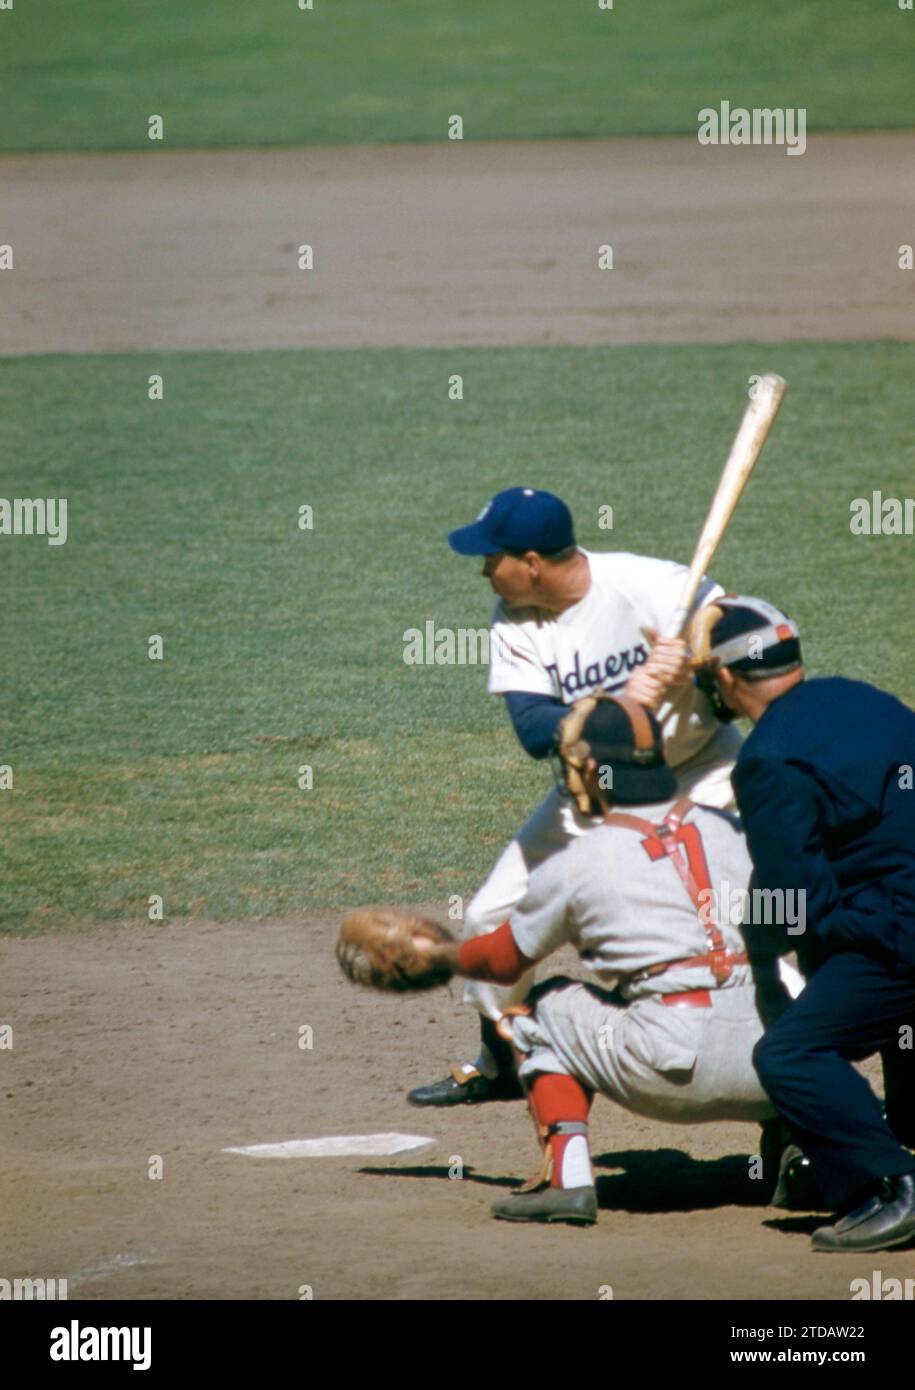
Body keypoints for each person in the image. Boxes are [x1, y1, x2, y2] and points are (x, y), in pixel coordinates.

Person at [409, 691, 807, 1224]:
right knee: (787, 985)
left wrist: (438, 954)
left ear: (593, 771)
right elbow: (796, 929)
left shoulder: (577, 860)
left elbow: (501, 964)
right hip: (781, 1065)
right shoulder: (736, 830)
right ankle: (803, 1152)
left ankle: (567, 1180)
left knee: (539, 1007)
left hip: (667, 1069)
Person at [409, 485, 743, 1108]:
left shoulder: (653, 585)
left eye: (492, 558)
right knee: (488, 916)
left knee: (740, 915)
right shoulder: (516, 624)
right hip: (594, 788)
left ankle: (785, 1081)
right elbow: (536, 732)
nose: (484, 570)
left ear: (531, 562)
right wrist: (627, 696)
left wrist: (696, 660)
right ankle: (503, 1058)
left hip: (703, 774)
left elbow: (753, 647)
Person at [694, 594, 915, 1252]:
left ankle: (890, 1189)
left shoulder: (766, 759)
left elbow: (799, 902)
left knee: (791, 1054)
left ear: (727, 677)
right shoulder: (860, 697)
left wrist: (758, 939)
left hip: (901, 927)